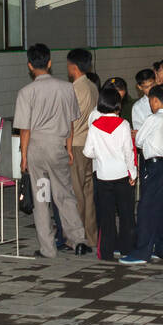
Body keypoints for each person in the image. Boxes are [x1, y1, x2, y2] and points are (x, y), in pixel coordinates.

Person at [14, 43, 87, 259]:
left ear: (29, 65)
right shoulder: (66, 88)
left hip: (36, 149)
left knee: (41, 198)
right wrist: (69, 147)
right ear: (49, 62)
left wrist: (24, 156)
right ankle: (78, 240)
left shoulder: (26, 92)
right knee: (64, 195)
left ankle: (48, 248)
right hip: (58, 147)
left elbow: (24, 129)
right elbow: (71, 121)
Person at [121, 83, 163, 265]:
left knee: (147, 208)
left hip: (154, 166)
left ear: (154, 101)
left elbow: (138, 141)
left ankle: (142, 252)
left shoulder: (152, 119)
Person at [85, 86, 138, 260]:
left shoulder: (94, 126)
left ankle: (106, 252)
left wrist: (100, 155)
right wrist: (133, 172)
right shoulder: (123, 124)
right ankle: (126, 249)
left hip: (103, 176)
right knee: (126, 214)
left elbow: (87, 152)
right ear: (118, 105)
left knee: (106, 216)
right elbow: (128, 151)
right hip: (122, 174)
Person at [66, 48, 100, 251]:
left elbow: (69, 121)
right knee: (88, 193)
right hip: (90, 143)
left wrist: (68, 146)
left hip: (77, 144)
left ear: (74, 67)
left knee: (76, 193)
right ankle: (91, 235)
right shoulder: (92, 86)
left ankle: (76, 238)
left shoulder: (75, 89)